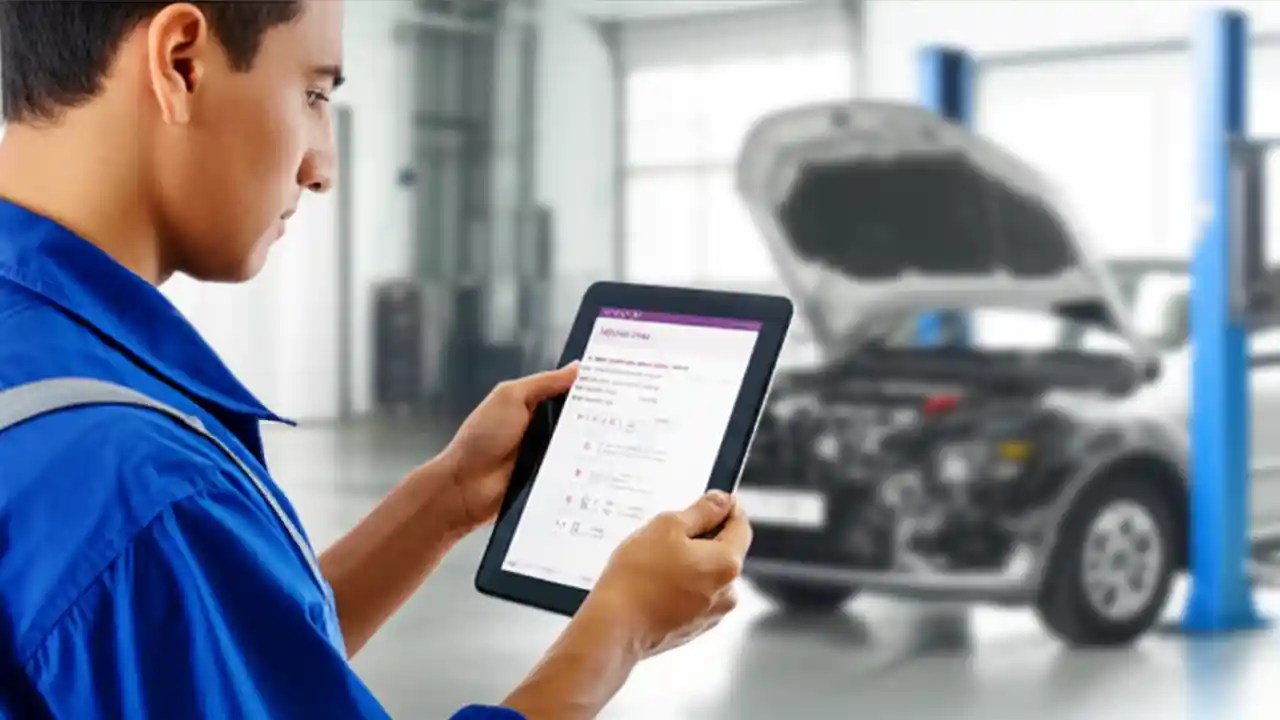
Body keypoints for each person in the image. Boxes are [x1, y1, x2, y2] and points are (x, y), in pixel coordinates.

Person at [0, 2, 752, 718]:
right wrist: (620, 631)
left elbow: (224, 659)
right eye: (313, 94)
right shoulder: (140, 484)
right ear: (181, 63)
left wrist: (446, 498)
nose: (322, 168)